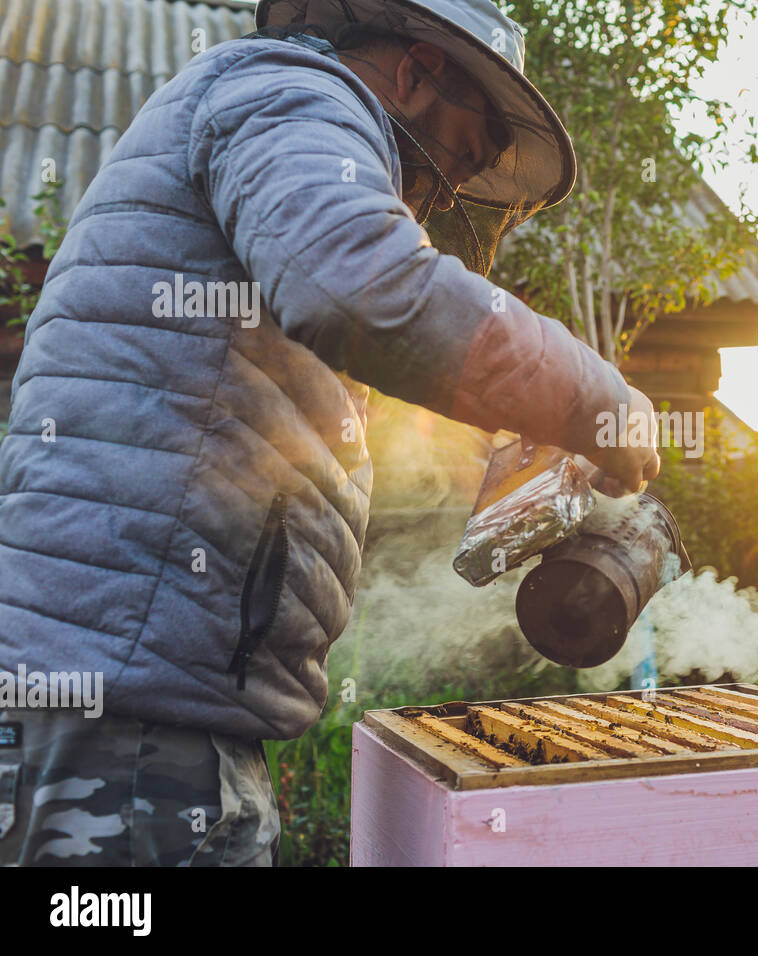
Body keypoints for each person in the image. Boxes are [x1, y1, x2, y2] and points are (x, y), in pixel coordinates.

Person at [0, 0, 657, 866]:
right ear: (418, 71)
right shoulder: (291, 92)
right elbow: (364, 291)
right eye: (467, 145)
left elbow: (276, 445)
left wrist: (498, 473)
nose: (455, 184)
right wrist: (603, 401)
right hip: (124, 713)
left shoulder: (275, 143)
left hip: (149, 702)